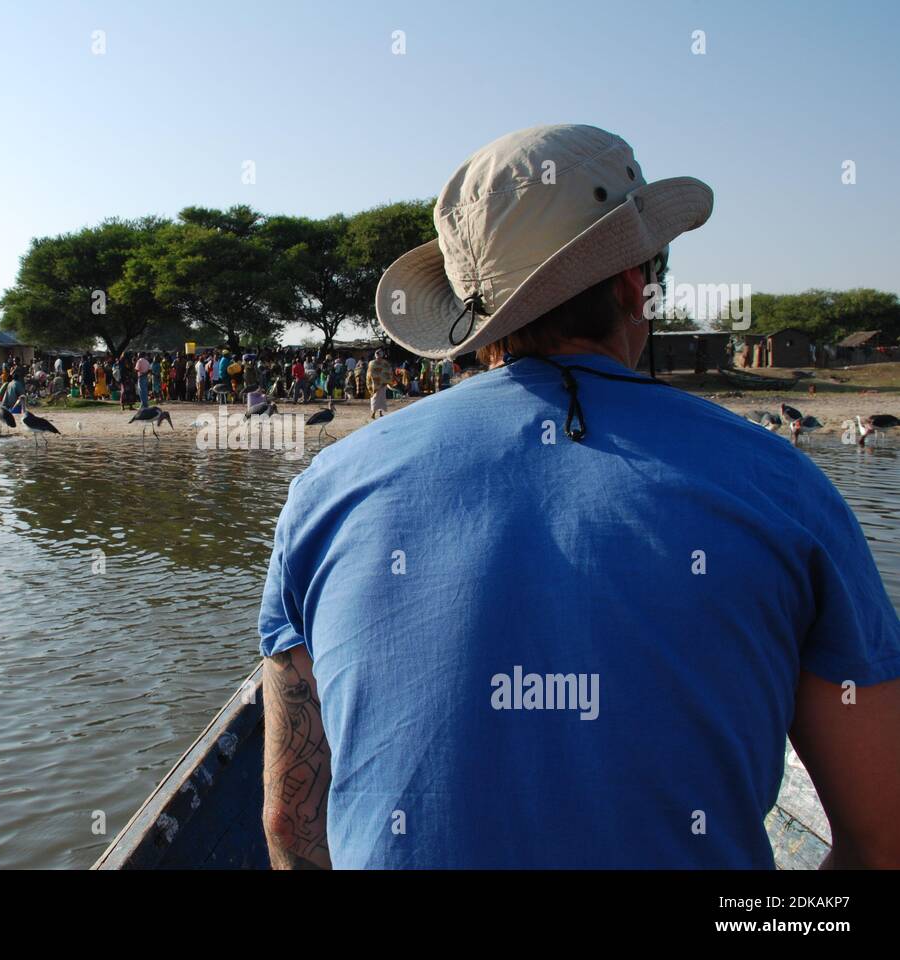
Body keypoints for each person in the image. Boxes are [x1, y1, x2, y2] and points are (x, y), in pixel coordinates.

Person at [258, 123, 900, 870]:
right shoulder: (783, 485)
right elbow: (881, 838)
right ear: (634, 283)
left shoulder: (327, 491)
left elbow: (287, 822)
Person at [365, 350, 393, 418]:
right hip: (382, 383)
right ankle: (377, 413)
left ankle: (375, 413)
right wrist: (386, 380)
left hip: (375, 384)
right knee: (381, 398)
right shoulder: (385, 363)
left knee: (375, 398)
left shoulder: (371, 362)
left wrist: (371, 381)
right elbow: (389, 371)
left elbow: (369, 373)